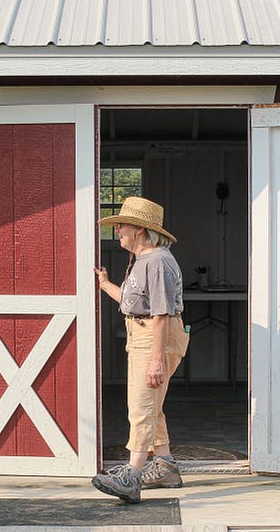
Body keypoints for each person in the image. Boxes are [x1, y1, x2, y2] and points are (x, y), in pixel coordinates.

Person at [91, 196, 189, 504]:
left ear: (140, 230)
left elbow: (160, 313)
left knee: (141, 406)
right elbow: (134, 303)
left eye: (122, 225)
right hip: (143, 335)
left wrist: (157, 359)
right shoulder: (146, 259)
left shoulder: (158, 261)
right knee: (151, 404)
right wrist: (105, 284)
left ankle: (132, 477)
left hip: (156, 337)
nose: (117, 229)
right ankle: (166, 467)